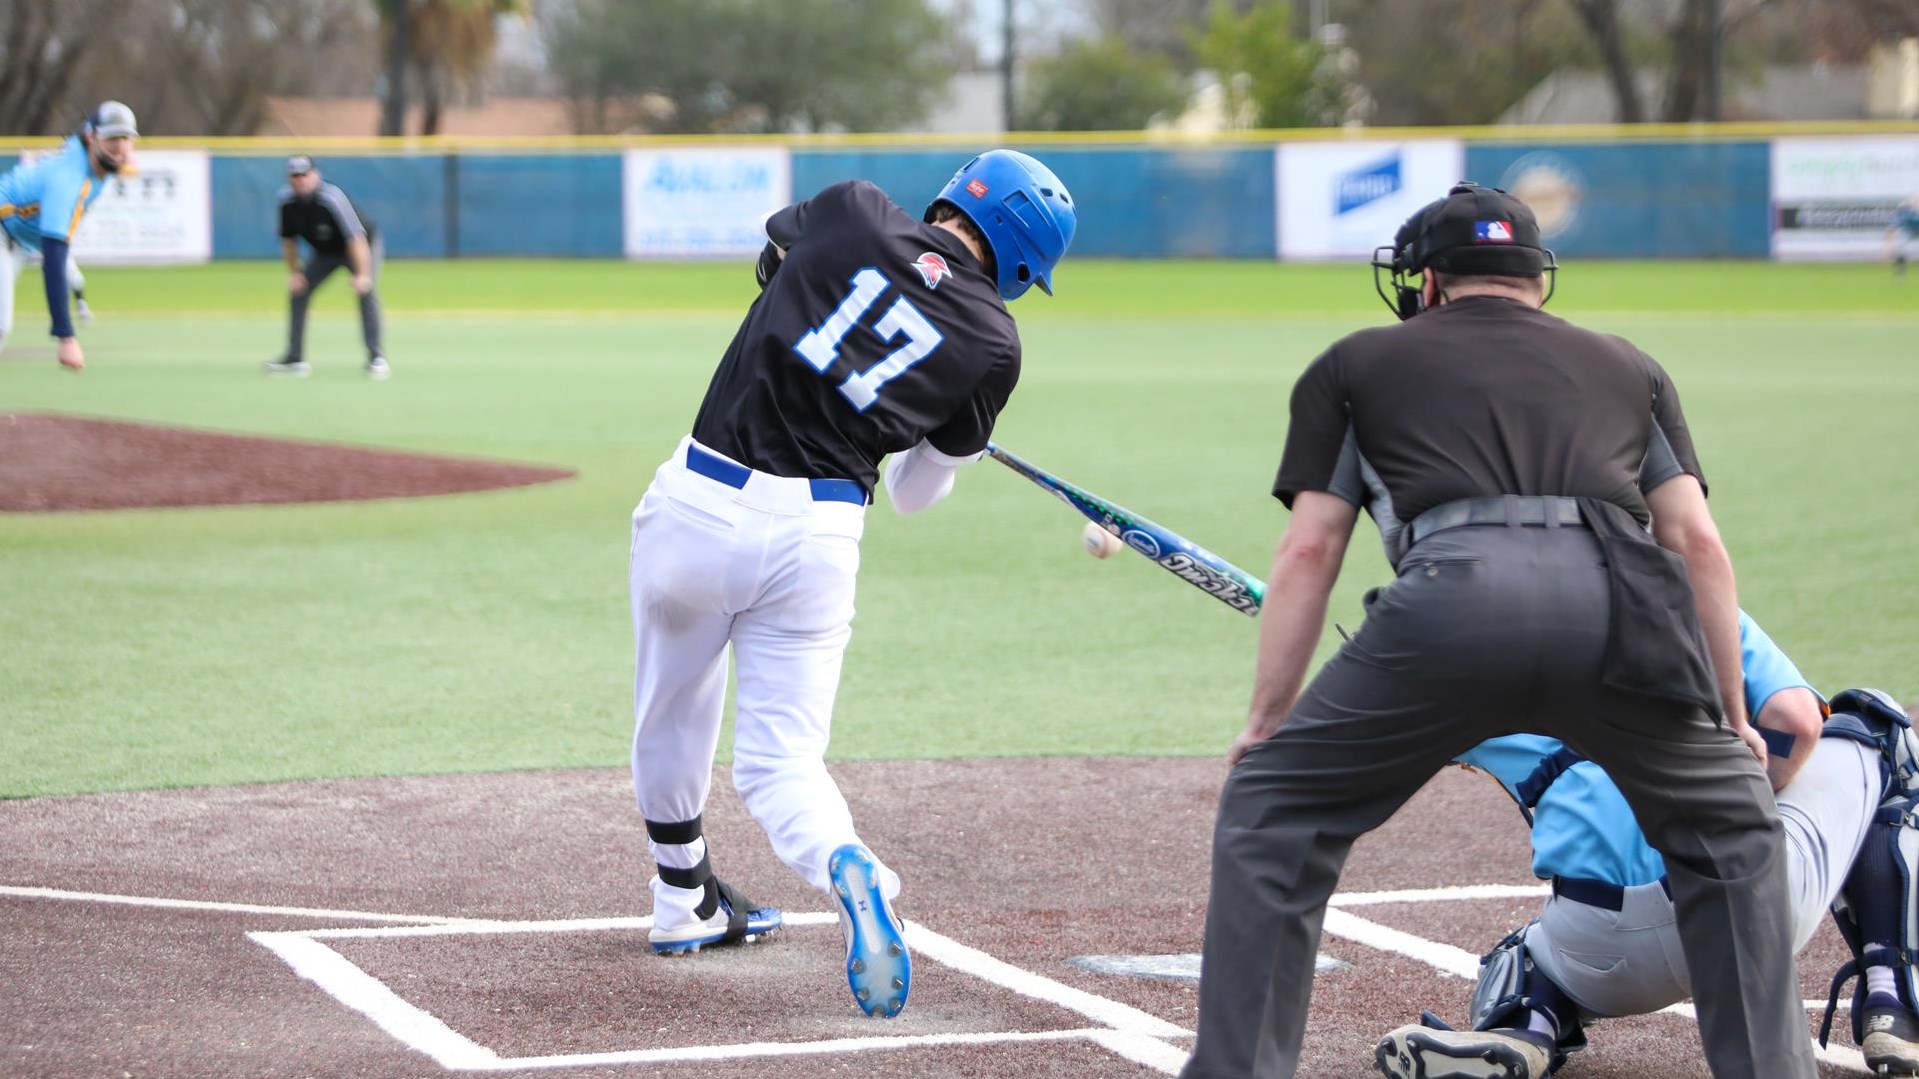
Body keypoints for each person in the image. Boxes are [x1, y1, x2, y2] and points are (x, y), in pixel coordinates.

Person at [1180, 182, 1813, 1079]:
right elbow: (1694, 543)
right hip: (1622, 614)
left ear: (1429, 281)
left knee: (1273, 813)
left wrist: (1265, 719)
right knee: (1734, 834)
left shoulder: (1359, 362)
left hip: (1450, 607)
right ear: (1536, 280)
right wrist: (1726, 715)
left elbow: (1311, 547)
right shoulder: (1629, 365)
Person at [624, 151, 1075, 1018]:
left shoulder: (854, 208)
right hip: (818, 535)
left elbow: (772, 266)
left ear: (958, 192)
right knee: (781, 759)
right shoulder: (993, 345)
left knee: (673, 707)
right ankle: (843, 856)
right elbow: (911, 495)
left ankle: (682, 895)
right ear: (1023, 262)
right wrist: (929, 431)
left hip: (699, 502)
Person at [1374, 616, 1917, 1078]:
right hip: (1748, 912)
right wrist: (1746, 801)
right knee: (1877, 726)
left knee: (1531, 954)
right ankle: (1893, 996)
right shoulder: (1685, 595)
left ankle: (1526, 1025)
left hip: (1601, 952)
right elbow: (1795, 723)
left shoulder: (1471, 641)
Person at [0, 101, 137, 371]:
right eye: (111, 138)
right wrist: (66, 336)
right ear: (91, 136)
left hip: (17, 239)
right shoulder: (68, 179)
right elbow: (53, 256)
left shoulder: (98, 163)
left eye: (126, 138)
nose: (120, 146)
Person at [265, 155, 389, 379]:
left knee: (366, 291)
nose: (300, 180)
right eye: (295, 176)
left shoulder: (330, 198)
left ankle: (376, 357)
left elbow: (356, 238)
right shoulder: (286, 201)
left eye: (304, 175)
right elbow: (289, 242)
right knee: (298, 291)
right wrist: (295, 273)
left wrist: (362, 275)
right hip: (325, 253)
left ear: (315, 175)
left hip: (361, 246)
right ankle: (295, 358)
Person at [1889, 194, 1919, 277]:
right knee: (1900, 248)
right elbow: (1895, 225)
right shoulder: (1905, 211)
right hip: (1908, 231)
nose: (1917, 202)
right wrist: (1889, 245)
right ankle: (1900, 270)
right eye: (1915, 200)